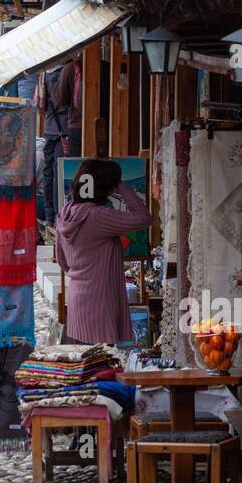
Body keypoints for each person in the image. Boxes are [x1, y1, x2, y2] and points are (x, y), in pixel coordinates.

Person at [55, 159, 153, 345]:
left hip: (77, 299)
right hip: (101, 302)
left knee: (86, 365)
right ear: (105, 188)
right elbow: (143, 218)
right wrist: (120, 183)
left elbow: (62, 261)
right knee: (101, 366)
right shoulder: (98, 216)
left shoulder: (64, 213)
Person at [40, 65, 68, 228]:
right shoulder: (62, 74)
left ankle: (50, 216)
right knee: (58, 174)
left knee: (49, 174)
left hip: (50, 127)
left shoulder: (44, 73)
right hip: (62, 130)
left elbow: (41, 105)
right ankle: (58, 215)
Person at [53, 58, 82, 159]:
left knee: (77, 167)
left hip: (77, 125)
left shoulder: (70, 68)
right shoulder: (107, 65)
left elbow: (60, 99)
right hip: (106, 125)